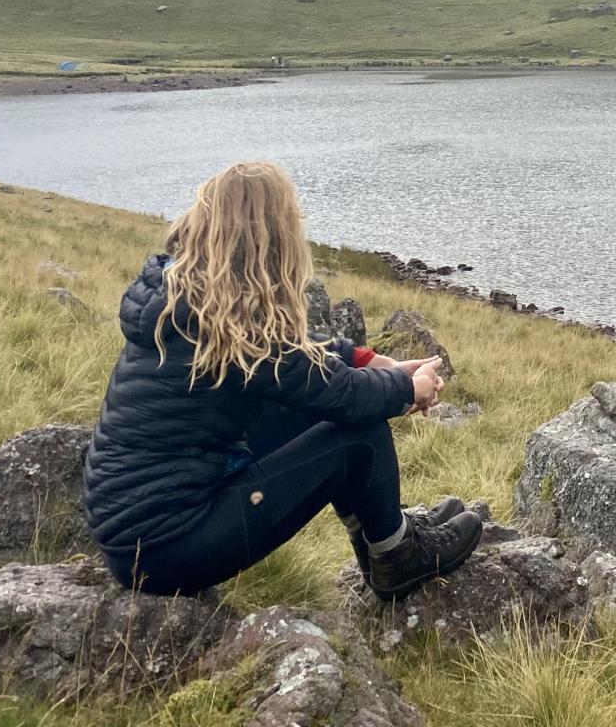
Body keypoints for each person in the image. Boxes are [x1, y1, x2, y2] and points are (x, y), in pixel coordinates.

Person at [82, 160, 480, 599]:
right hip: (166, 549)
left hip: (141, 532)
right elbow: (342, 394)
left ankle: (386, 535)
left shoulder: (187, 295)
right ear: (268, 236)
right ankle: (396, 557)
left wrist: (364, 357)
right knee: (357, 432)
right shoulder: (221, 319)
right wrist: (410, 388)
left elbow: (288, 353)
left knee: (319, 409)